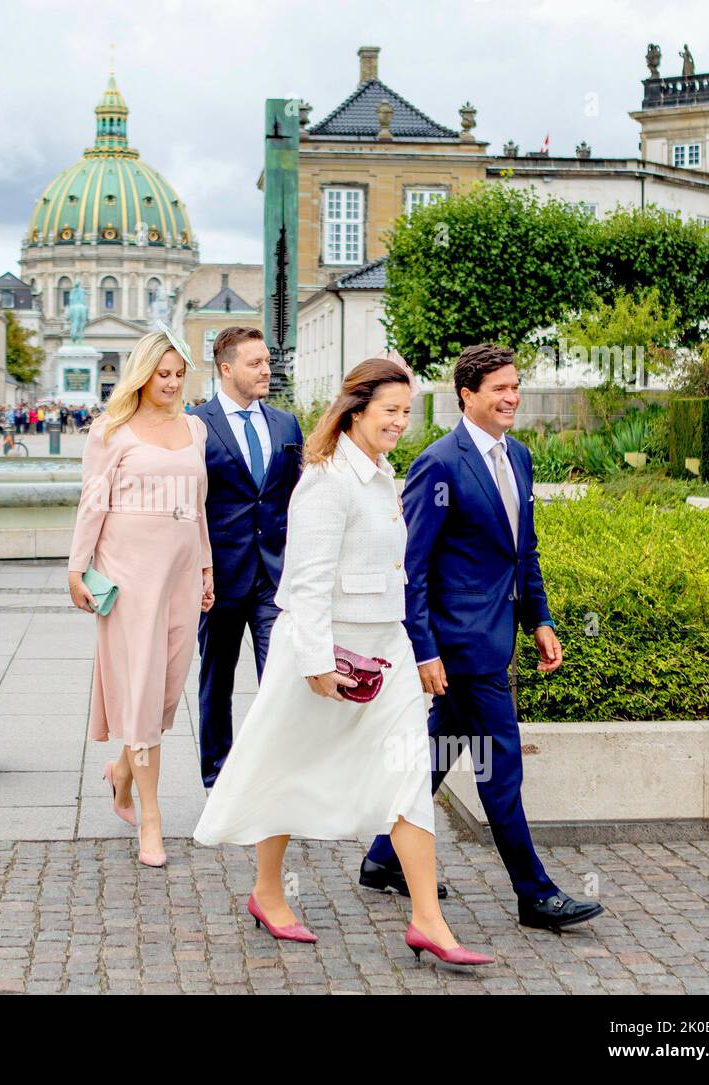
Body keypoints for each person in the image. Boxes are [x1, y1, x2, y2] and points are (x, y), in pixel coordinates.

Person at [194, 360, 491, 964]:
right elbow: (304, 583)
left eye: (407, 412)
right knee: (284, 766)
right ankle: (267, 893)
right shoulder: (326, 481)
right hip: (324, 655)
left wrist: (411, 641)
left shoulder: (382, 477)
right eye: (390, 411)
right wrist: (316, 662)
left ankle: (427, 921)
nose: (401, 423)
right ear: (356, 410)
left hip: (389, 653)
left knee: (410, 773)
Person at [361, 344, 604, 933]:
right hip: (462, 646)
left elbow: (524, 551)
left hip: (500, 633)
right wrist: (425, 650)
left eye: (515, 386)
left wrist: (540, 620)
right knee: (501, 767)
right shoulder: (440, 464)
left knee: (437, 751)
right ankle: (534, 893)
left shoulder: (518, 457)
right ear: (467, 395)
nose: (511, 397)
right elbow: (410, 569)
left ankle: (382, 859)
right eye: (499, 388)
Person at [68, 329, 215, 867]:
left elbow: (198, 506)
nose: (173, 384)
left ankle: (122, 771)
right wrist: (76, 568)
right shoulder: (112, 430)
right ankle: (151, 820)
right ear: (143, 374)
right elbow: (92, 503)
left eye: (179, 374)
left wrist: (205, 566)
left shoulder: (194, 429)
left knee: (168, 692)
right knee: (142, 692)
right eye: (163, 374)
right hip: (129, 575)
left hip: (179, 574)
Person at [190, 328, 304, 788]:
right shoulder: (195, 425)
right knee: (216, 682)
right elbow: (188, 505)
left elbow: (299, 495)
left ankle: (276, 774)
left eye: (267, 362)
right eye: (255, 363)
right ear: (226, 368)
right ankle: (217, 776)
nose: (266, 370)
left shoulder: (285, 424)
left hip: (274, 577)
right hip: (217, 578)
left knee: (279, 678)